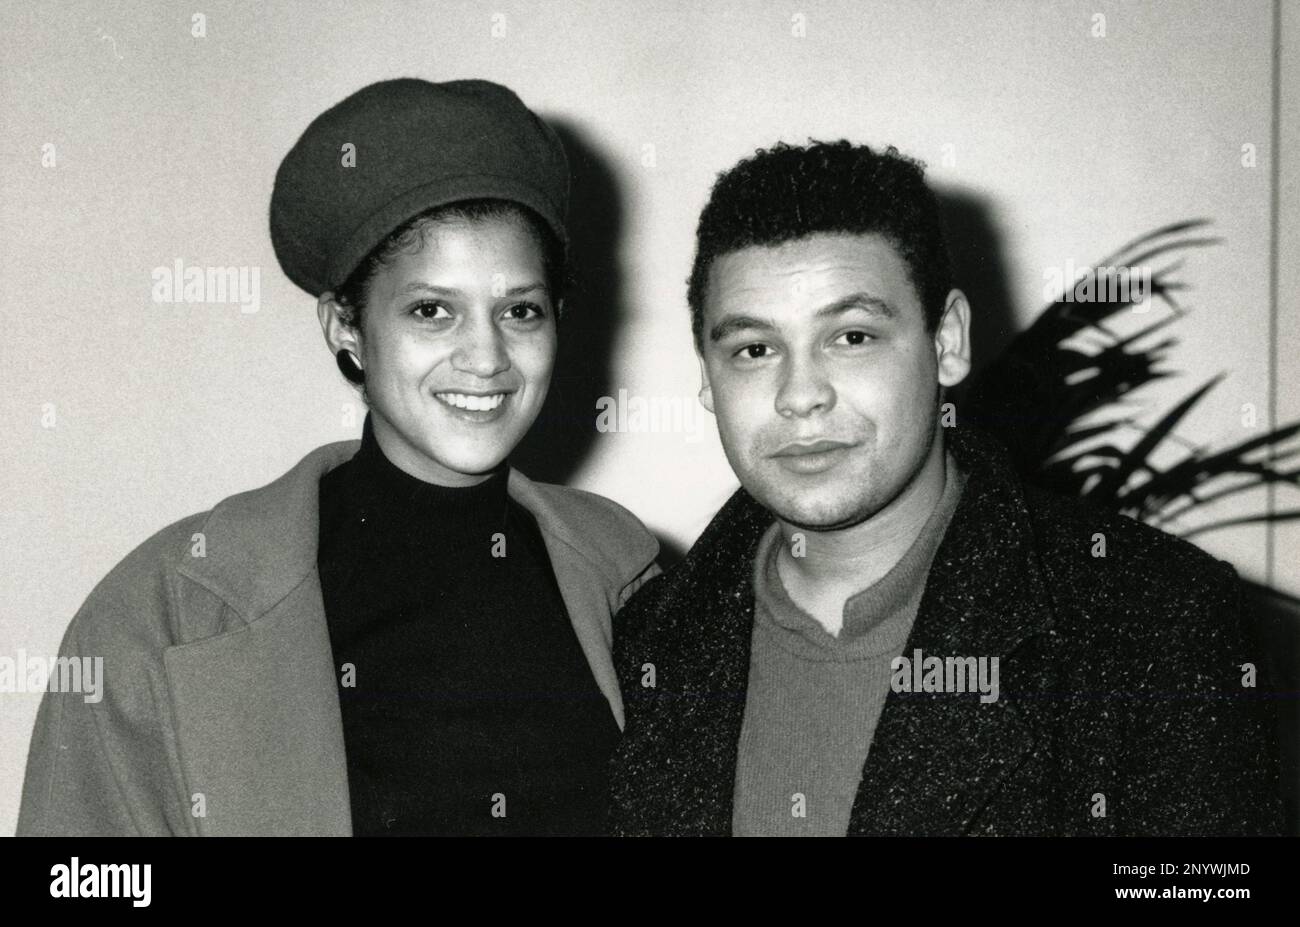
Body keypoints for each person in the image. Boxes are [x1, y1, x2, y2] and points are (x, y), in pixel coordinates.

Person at [18, 78, 659, 836]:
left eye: (520, 310)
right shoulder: (166, 611)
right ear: (345, 327)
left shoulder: (626, 574)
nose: (486, 357)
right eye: (432, 311)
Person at [608, 139, 1284, 836]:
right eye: (755, 349)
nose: (800, 394)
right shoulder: (641, 646)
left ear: (947, 340)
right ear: (708, 375)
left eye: (852, 336)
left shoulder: (1153, 623)